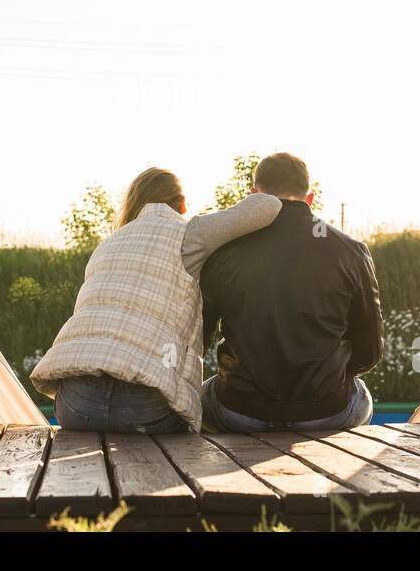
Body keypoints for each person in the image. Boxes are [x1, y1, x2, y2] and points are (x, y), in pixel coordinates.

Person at [31, 167, 280, 434]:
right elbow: (267, 204)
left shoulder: (107, 245)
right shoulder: (190, 235)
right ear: (182, 204)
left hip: (76, 408)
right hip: (146, 410)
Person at [200, 152, 384, 432]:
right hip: (326, 411)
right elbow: (370, 351)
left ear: (253, 195)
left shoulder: (224, 252)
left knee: (204, 392)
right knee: (362, 397)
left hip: (240, 412)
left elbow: (200, 338)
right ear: (310, 198)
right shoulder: (351, 251)